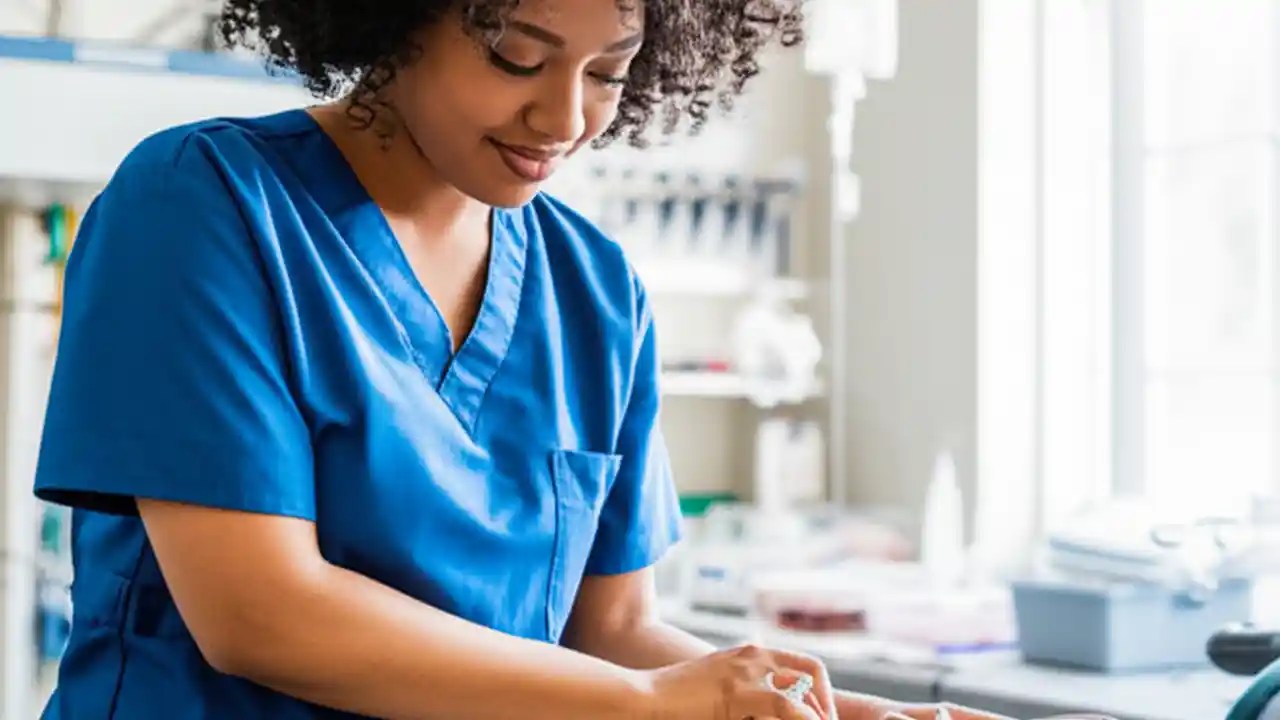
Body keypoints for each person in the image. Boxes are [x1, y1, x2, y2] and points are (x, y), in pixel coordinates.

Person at [32, 1, 1009, 718]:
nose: (565, 119)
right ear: (396, 21)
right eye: (514, 57)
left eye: (608, 71)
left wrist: (847, 716)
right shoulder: (205, 205)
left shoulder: (593, 289)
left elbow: (613, 634)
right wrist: (648, 705)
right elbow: (258, 614)